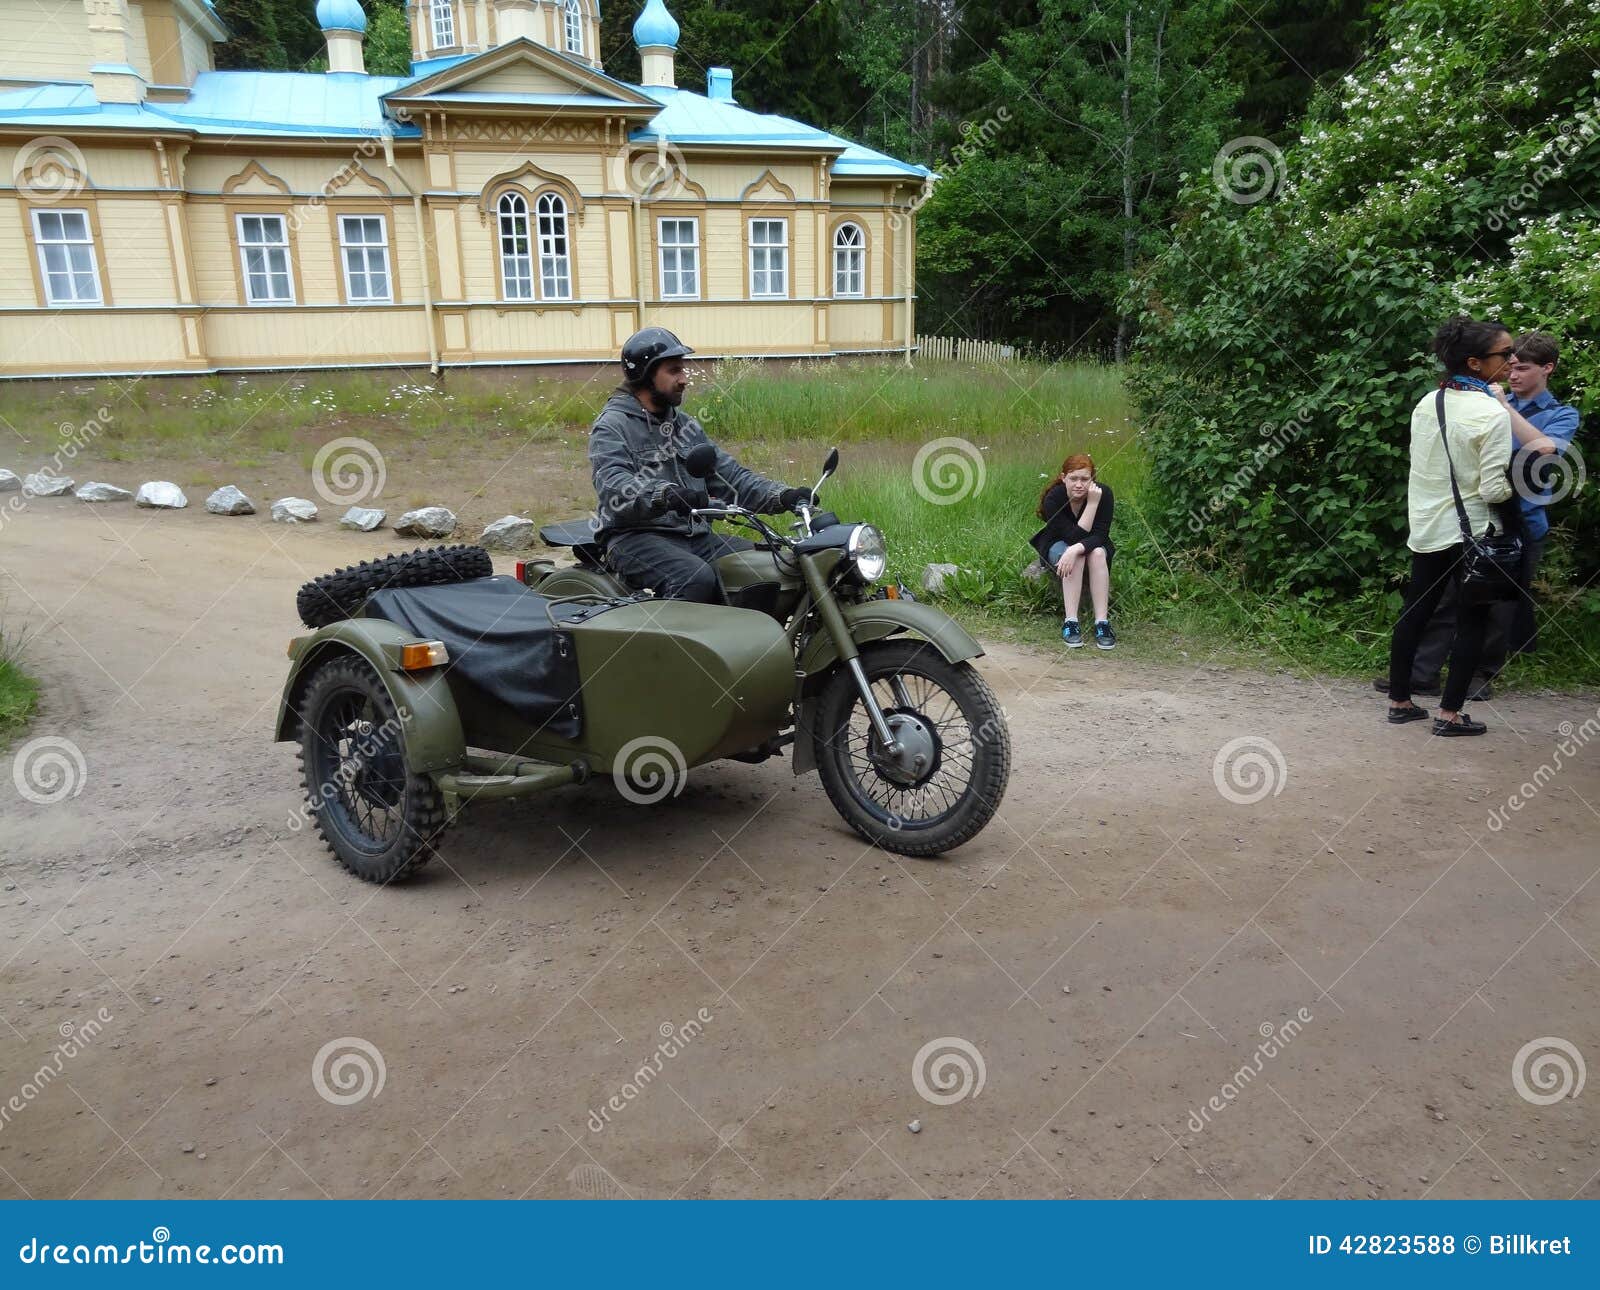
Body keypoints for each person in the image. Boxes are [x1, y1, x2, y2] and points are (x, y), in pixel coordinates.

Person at [1385, 318, 1558, 736]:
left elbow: (1424, 469)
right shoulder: (1491, 413)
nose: (1513, 360)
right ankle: (1449, 715)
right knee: (1473, 619)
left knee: (1415, 612)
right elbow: (1494, 489)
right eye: (1505, 354)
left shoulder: (1428, 402)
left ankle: (1400, 702)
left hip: (1427, 525)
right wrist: (1522, 486)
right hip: (1476, 532)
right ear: (1476, 363)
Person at [588, 328, 816, 603]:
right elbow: (614, 486)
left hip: (693, 536)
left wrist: (783, 496)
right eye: (674, 371)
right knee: (694, 578)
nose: (684, 379)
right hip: (635, 538)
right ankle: (669, 645)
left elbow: (731, 478)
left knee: (775, 563)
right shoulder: (613, 425)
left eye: (683, 370)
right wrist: (665, 494)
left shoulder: (685, 426)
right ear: (645, 375)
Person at [1030, 454, 1115, 649]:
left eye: (1085, 479)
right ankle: (1071, 622)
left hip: (1093, 543)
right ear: (1063, 477)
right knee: (1075, 556)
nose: (1079, 484)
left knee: (1098, 553)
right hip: (1058, 542)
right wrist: (1073, 550)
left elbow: (1101, 534)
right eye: (1073, 478)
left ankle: (1102, 623)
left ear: (1092, 479)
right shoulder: (1054, 498)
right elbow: (1071, 536)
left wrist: (1093, 503)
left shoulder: (1104, 494)